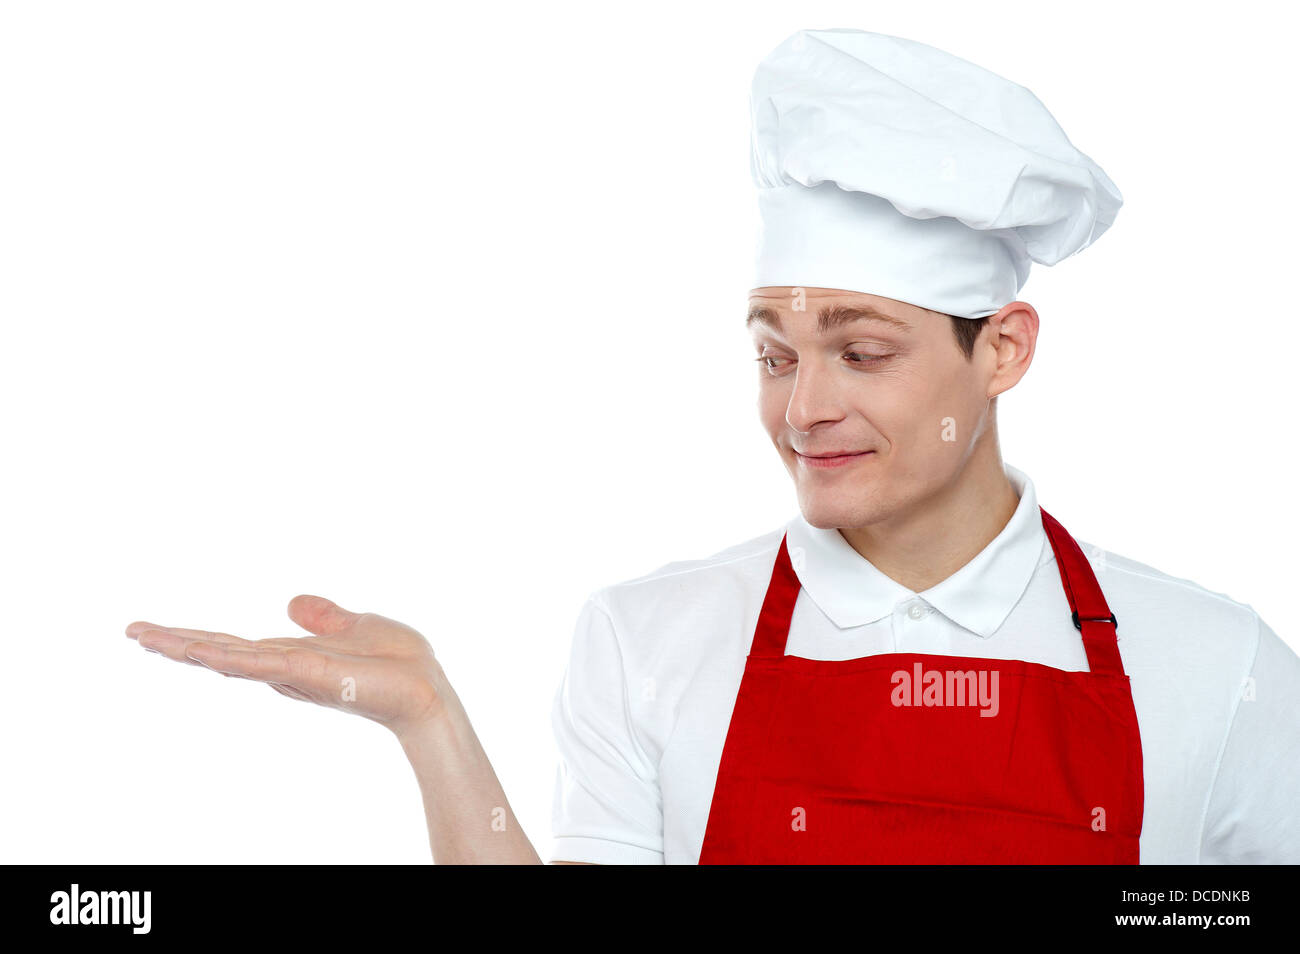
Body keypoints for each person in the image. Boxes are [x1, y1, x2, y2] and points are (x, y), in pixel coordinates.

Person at [127, 28, 1300, 864]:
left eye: (862, 350)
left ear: (1001, 351)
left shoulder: (1217, 667)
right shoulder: (649, 640)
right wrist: (431, 722)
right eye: (775, 353)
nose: (804, 410)